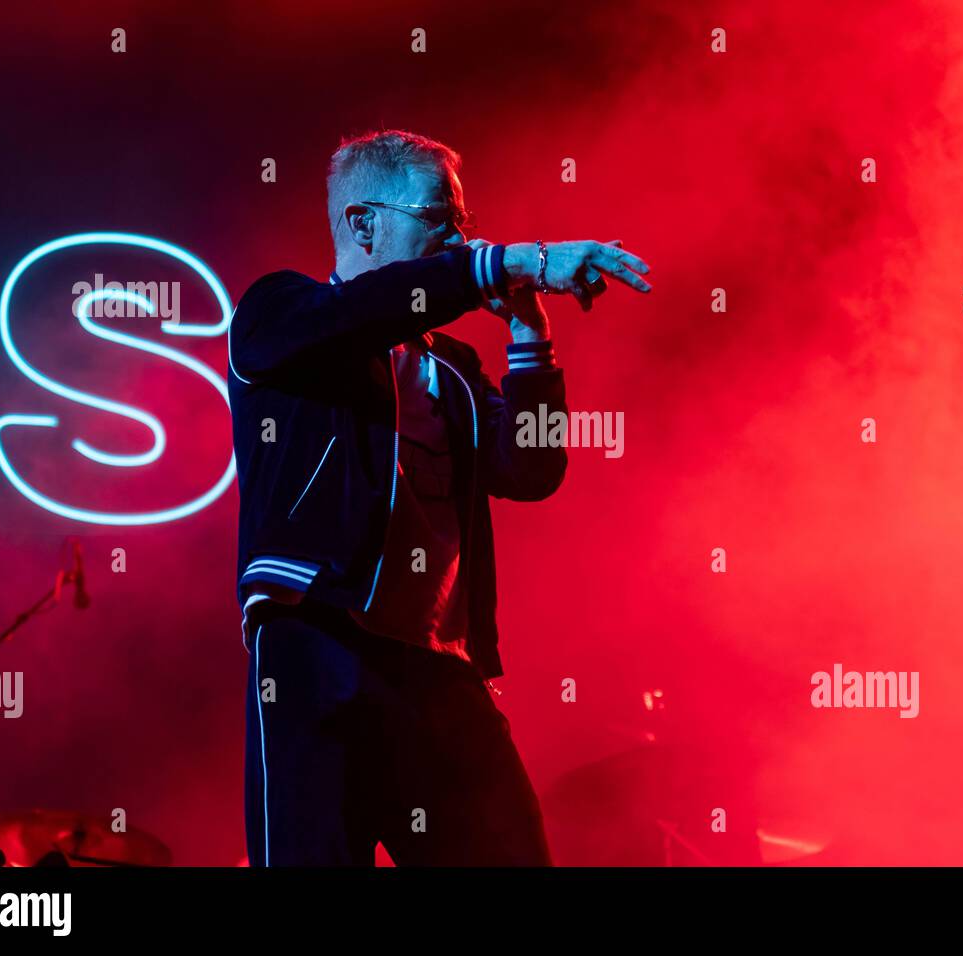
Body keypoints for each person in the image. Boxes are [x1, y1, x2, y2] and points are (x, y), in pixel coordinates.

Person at [227, 129, 650, 865]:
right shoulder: (282, 312)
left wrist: (530, 342)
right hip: (318, 645)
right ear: (363, 223)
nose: (458, 240)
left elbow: (530, 471)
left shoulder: (450, 369)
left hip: (440, 672)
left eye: (466, 226)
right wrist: (514, 262)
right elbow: (366, 311)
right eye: (439, 219)